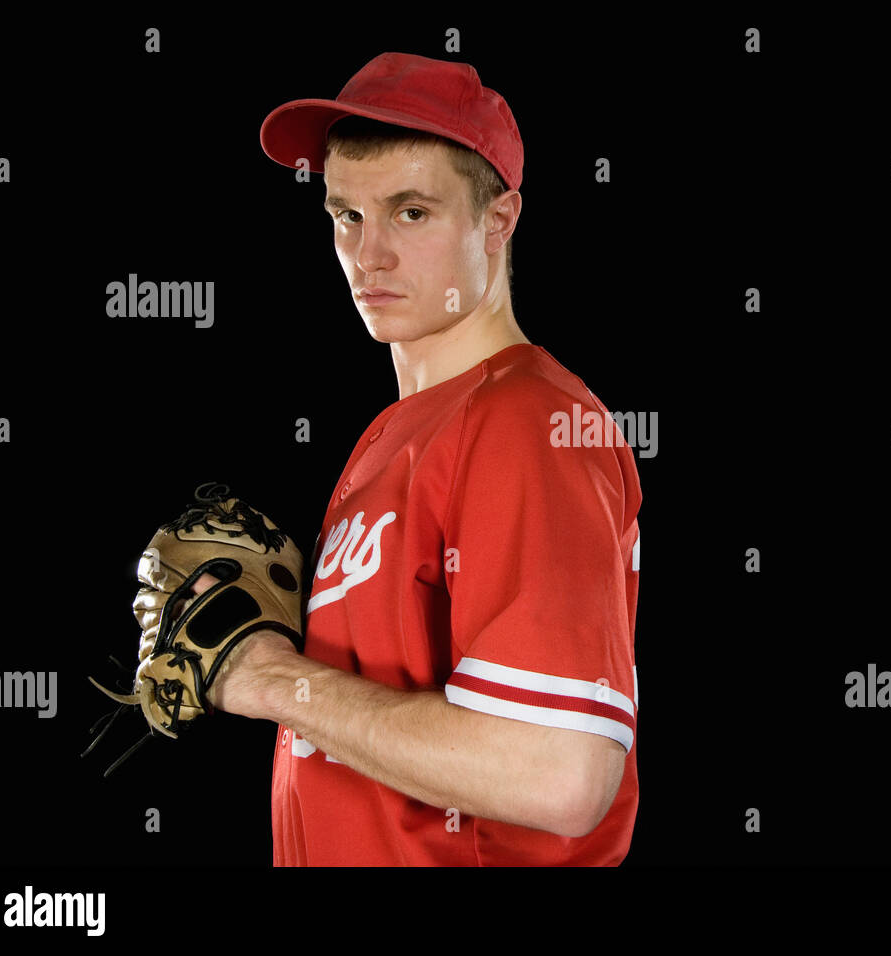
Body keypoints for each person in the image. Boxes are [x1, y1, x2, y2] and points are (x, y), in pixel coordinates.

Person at [183, 52, 642, 865]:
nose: (369, 255)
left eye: (411, 213)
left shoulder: (528, 420)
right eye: (346, 216)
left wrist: (271, 680)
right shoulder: (398, 434)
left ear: (498, 220)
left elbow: (560, 775)